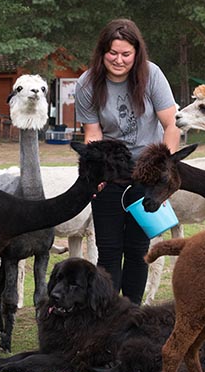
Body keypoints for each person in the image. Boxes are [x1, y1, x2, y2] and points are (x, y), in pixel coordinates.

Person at [74, 18, 181, 304]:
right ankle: (108, 315)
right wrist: (94, 175)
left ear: (136, 54)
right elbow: (93, 135)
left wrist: (163, 169)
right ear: (102, 52)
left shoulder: (152, 75)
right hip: (111, 176)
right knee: (107, 250)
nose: (118, 60)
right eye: (112, 53)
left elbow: (171, 125)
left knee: (137, 249)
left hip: (146, 175)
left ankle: (131, 312)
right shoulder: (86, 84)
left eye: (126, 54)